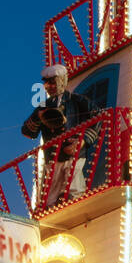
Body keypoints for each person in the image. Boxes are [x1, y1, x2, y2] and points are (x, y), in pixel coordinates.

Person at [21, 63, 98, 208]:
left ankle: (77, 212)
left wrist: (82, 141)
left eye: (52, 82)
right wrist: (38, 117)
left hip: (74, 153)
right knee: (51, 194)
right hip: (53, 157)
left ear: (62, 80)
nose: (48, 86)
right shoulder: (43, 106)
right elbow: (27, 131)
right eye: (46, 83)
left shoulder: (77, 100)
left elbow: (97, 116)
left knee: (75, 189)